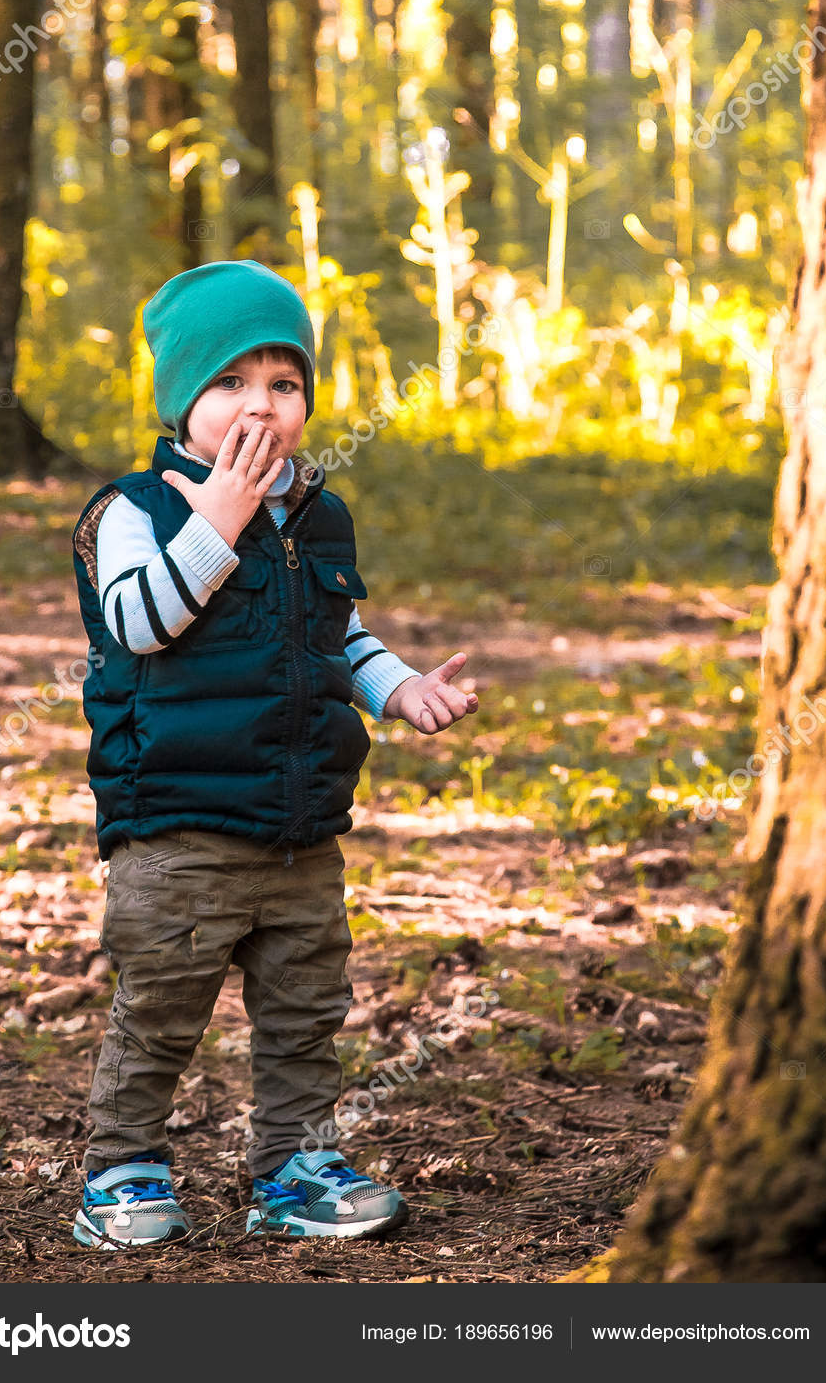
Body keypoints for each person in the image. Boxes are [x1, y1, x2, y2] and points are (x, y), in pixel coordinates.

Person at [69, 259, 478, 1249]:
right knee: (162, 1006)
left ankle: (291, 1166)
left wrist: (400, 685)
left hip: (300, 822)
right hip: (176, 824)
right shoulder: (134, 509)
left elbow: (332, 633)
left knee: (304, 1006)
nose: (261, 404)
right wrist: (219, 514)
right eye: (230, 382)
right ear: (180, 398)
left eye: (283, 383)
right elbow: (142, 623)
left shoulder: (316, 511)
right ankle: (120, 1168)